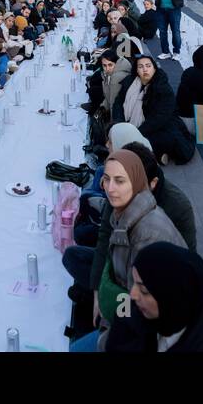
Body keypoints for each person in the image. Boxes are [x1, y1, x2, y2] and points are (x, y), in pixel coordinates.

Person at [71, 150, 187, 352]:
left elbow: (140, 312)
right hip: (128, 313)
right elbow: (108, 255)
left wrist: (109, 334)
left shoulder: (147, 235)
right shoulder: (125, 212)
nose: (111, 188)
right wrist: (101, 293)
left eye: (120, 181)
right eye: (106, 179)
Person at [104, 243, 203, 353]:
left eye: (144, 290)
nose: (132, 294)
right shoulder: (130, 308)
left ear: (172, 300)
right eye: (134, 283)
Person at [119, 54, 195, 165]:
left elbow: (160, 118)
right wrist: (118, 123)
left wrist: (137, 132)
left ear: (154, 68)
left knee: (146, 141)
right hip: (141, 124)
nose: (145, 69)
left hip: (162, 125)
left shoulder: (163, 88)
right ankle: (159, 155)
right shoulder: (131, 83)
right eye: (141, 66)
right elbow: (119, 102)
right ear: (136, 70)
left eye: (148, 66)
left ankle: (156, 154)